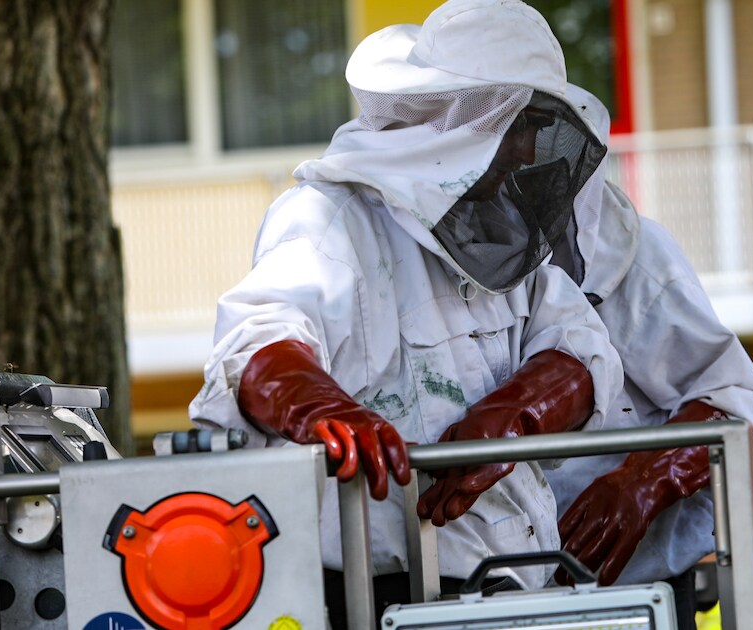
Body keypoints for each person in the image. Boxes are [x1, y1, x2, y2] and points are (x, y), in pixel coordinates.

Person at [188, 1, 622, 625]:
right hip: (370, 592)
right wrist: (316, 406)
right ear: (464, 116)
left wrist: (518, 413)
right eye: (520, 124)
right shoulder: (329, 217)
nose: (527, 151)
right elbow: (258, 340)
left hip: (513, 584)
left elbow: (581, 345)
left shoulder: (503, 230)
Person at [545, 85, 753, 629]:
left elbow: (737, 404)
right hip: (481, 588)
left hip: (634, 586)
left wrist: (646, 479)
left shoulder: (635, 256)